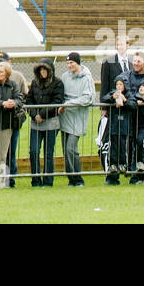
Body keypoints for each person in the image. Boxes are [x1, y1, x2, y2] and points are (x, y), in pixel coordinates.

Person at [25, 58, 64, 188]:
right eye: (40, 70)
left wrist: (42, 114)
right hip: (35, 123)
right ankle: (35, 180)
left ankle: (48, 181)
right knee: (34, 151)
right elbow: (29, 100)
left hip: (50, 122)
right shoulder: (34, 83)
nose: (43, 72)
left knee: (48, 152)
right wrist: (35, 114)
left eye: (45, 69)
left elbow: (57, 101)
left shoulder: (58, 83)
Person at [59, 52, 95, 187]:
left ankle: (78, 178)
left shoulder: (87, 78)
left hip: (78, 117)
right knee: (65, 149)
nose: (69, 66)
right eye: (67, 63)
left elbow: (88, 98)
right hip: (65, 117)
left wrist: (69, 104)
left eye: (72, 63)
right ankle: (71, 179)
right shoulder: (64, 77)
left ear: (77, 63)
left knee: (71, 148)